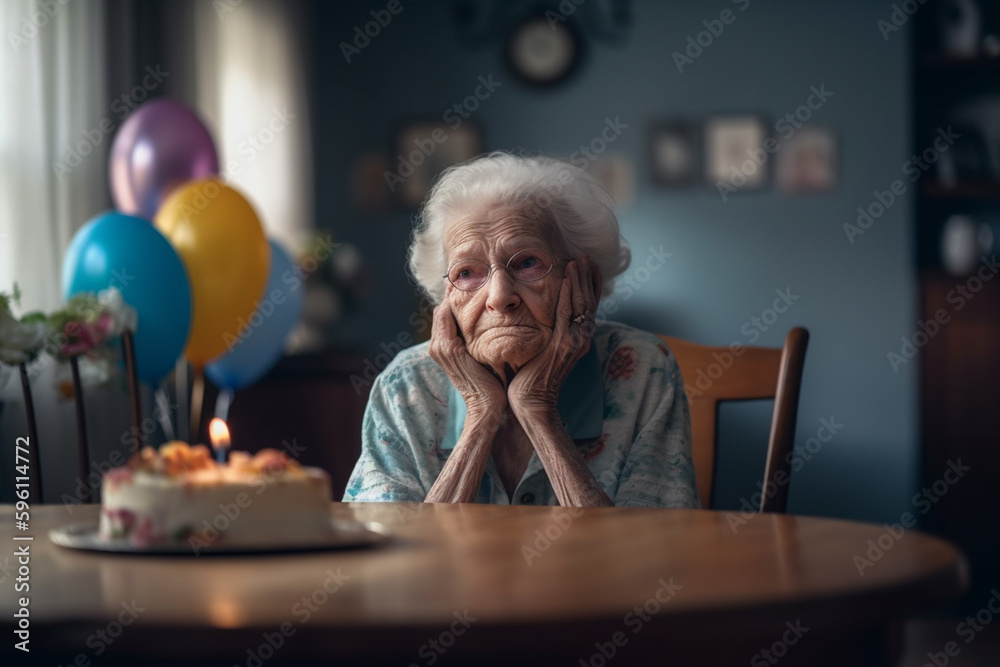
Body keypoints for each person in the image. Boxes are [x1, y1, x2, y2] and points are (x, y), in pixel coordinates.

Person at [344, 152, 698, 508]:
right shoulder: (407, 385)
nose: (499, 297)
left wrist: (537, 409)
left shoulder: (641, 369)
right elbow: (390, 544)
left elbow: (651, 542)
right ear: (447, 297)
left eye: (527, 263)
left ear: (586, 282)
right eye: (467, 273)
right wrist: (480, 413)